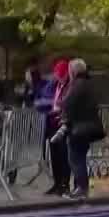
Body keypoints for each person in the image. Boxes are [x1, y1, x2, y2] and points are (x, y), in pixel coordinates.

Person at [57, 58, 103, 199]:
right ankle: (81, 188)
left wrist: (59, 102)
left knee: (75, 158)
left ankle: (82, 188)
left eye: (70, 70)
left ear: (73, 71)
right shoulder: (88, 83)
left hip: (80, 127)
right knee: (79, 157)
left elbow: (68, 102)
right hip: (88, 126)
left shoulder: (78, 84)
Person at [38, 59, 71, 195]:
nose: (60, 78)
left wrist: (60, 106)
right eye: (58, 75)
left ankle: (65, 183)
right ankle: (57, 183)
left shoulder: (70, 86)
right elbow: (43, 98)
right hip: (51, 122)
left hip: (62, 123)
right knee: (54, 155)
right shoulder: (54, 85)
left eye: (62, 75)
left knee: (64, 154)